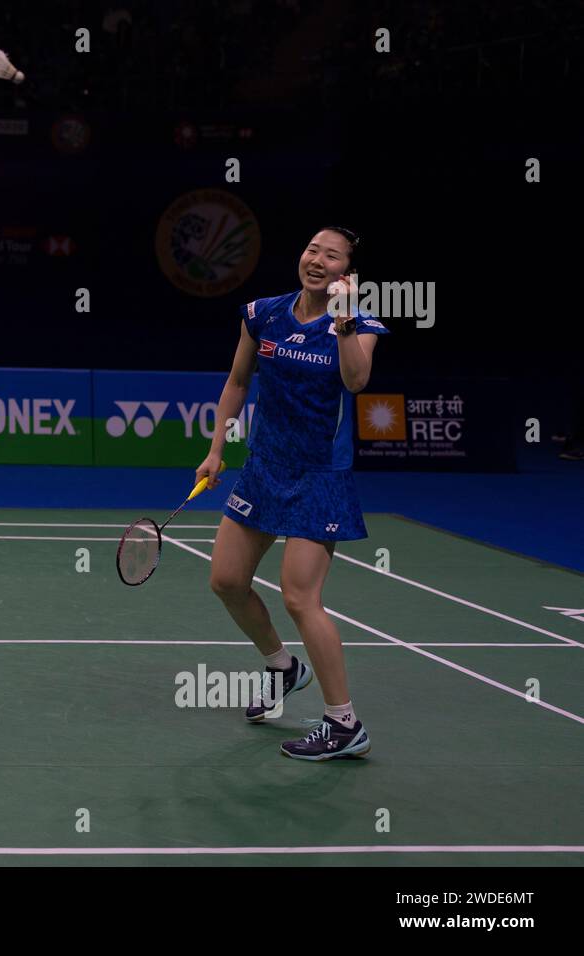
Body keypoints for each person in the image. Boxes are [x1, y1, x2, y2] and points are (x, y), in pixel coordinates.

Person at [197, 226, 387, 760]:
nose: (316, 259)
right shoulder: (262, 314)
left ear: (346, 273)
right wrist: (217, 449)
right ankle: (283, 666)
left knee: (300, 595)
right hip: (263, 467)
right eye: (311, 249)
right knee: (226, 580)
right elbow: (237, 382)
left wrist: (345, 322)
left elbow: (356, 381)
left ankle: (344, 723)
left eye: (331, 255)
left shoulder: (360, 324)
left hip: (320, 476)